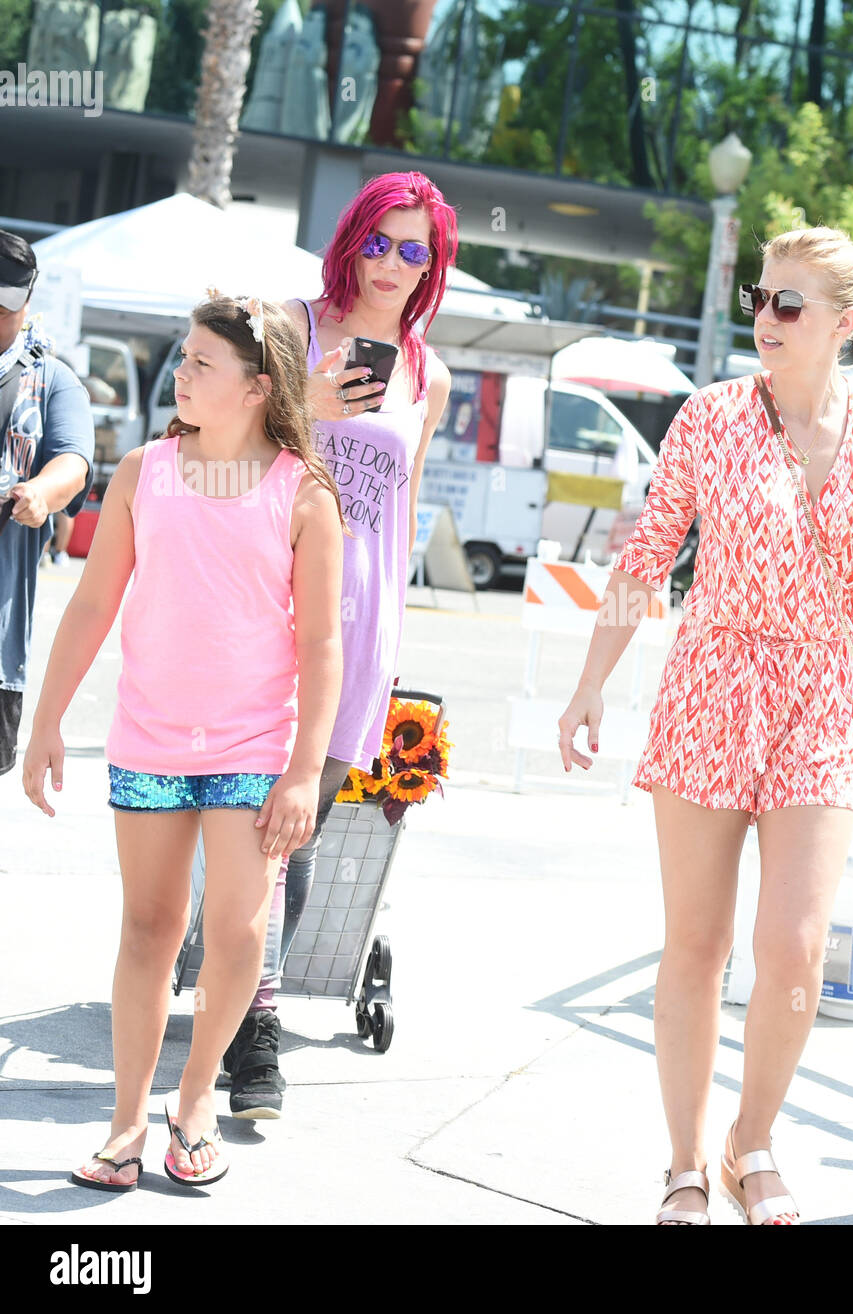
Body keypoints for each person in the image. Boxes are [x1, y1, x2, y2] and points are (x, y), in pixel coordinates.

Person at [557, 226, 853, 1225]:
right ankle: (685, 1161)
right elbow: (646, 554)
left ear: (845, 321)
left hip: (826, 699)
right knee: (695, 945)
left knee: (793, 947)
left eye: (788, 303)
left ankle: (753, 1141)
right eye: (760, 297)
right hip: (711, 683)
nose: (765, 318)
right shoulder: (708, 418)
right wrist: (589, 685)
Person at [21, 294, 346, 1190]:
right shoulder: (142, 473)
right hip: (149, 741)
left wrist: (304, 771)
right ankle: (127, 1122)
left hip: (251, 749)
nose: (183, 371)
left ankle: (195, 1098)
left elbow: (323, 644)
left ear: (257, 386)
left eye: (204, 361)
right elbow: (93, 605)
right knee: (151, 927)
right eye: (186, 355)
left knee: (239, 933)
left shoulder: (304, 495)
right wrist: (48, 722)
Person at [218, 170, 455, 1118]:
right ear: (351, 237)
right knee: (259, 822)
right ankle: (254, 1027)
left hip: (357, 623)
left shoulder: (427, 373)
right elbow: (212, 450)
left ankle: (244, 998)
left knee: (296, 826)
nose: (395, 264)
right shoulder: (288, 324)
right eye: (381, 241)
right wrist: (304, 401)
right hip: (266, 603)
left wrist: (388, 643)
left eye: (417, 249)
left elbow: (399, 513)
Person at [0, 230, 94, 779]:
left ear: (27, 302)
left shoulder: (52, 380)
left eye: (3, 307)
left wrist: (39, 492)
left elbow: (74, 462)